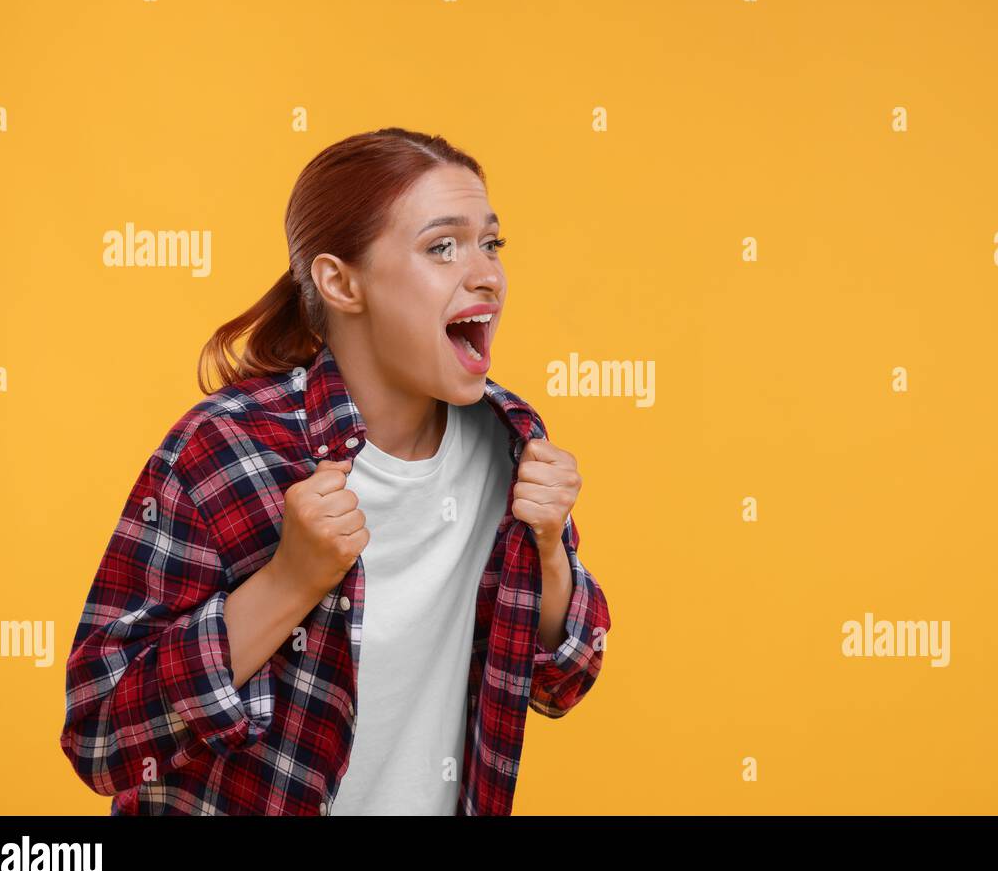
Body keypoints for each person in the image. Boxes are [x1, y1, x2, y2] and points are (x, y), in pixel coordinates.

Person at [59, 127, 611, 815]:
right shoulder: (224, 448)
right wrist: (290, 581)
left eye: (491, 244)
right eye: (443, 247)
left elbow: (563, 680)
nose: (487, 275)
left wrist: (550, 549)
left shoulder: (510, 445)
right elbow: (100, 733)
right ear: (340, 281)